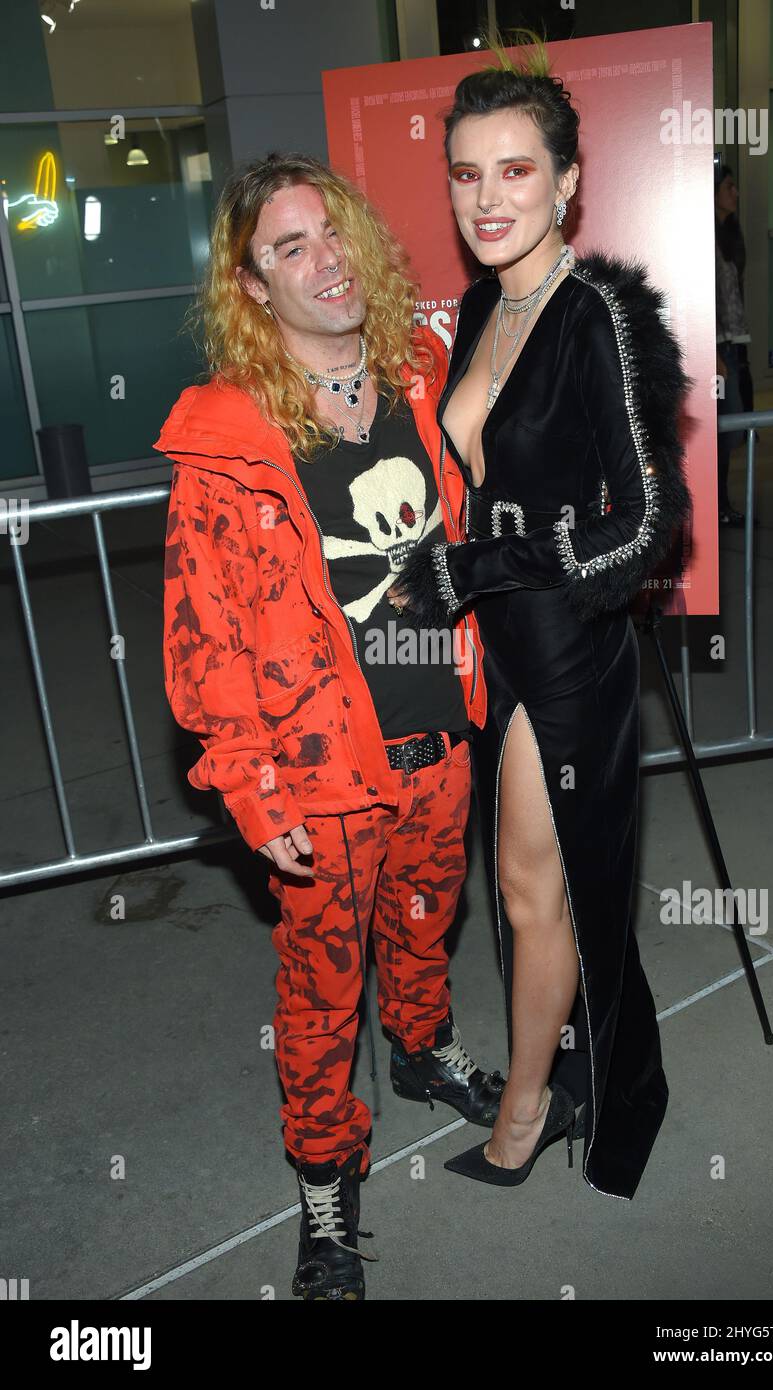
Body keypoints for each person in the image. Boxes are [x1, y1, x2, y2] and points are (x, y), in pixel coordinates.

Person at [156, 152, 506, 1301]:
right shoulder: (228, 439)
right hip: (321, 779)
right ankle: (324, 1197)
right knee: (317, 998)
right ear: (251, 286)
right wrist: (252, 793)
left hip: (439, 739)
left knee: (427, 920)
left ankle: (424, 1049)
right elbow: (203, 639)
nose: (324, 262)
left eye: (333, 233)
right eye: (289, 248)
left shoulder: (418, 372)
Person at [390, 38, 692, 1201]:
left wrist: (496, 562)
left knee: (535, 886)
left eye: (516, 172)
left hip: (569, 647)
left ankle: (537, 1103)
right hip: (500, 646)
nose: (486, 199)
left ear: (568, 181)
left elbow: (651, 520)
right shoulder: (477, 309)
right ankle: (560, 1080)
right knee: (533, 888)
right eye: (467, 174)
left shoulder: (596, 314)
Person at [715, 161, 753, 526]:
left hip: (731, 342)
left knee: (730, 428)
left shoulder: (731, 233)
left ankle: (722, 504)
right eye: (728, 186)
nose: (735, 193)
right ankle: (718, 506)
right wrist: (711, 351)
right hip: (714, 349)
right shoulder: (706, 236)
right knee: (722, 429)